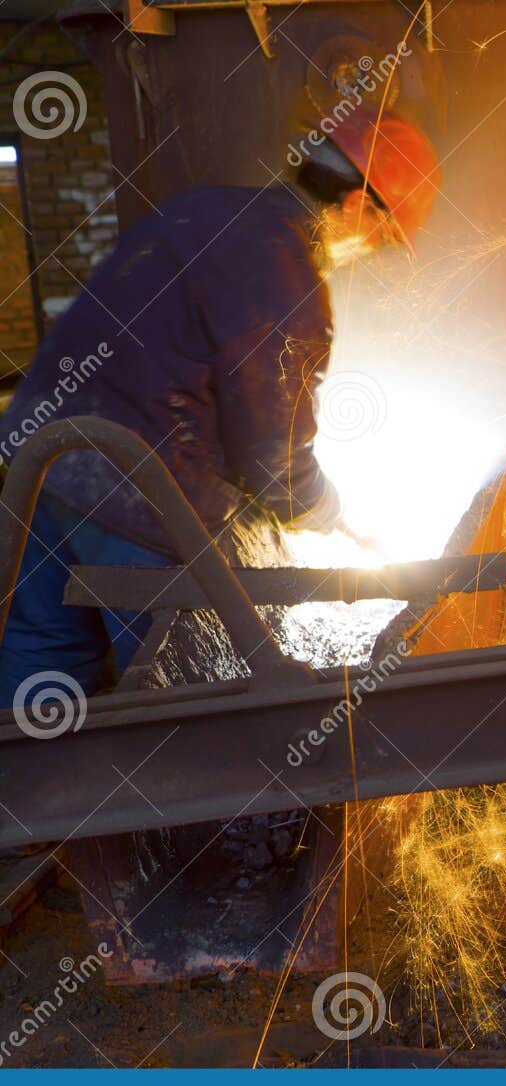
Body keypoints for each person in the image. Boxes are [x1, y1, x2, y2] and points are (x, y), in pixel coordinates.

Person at [0, 109, 439, 703]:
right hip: (139, 500)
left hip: (39, 470)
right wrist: (329, 514)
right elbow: (273, 456)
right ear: (359, 204)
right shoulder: (285, 273)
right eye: (384, 237)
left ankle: (30, 792)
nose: (373, 251)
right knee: (185, 704)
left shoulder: (200, 209)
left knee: (39, 665)